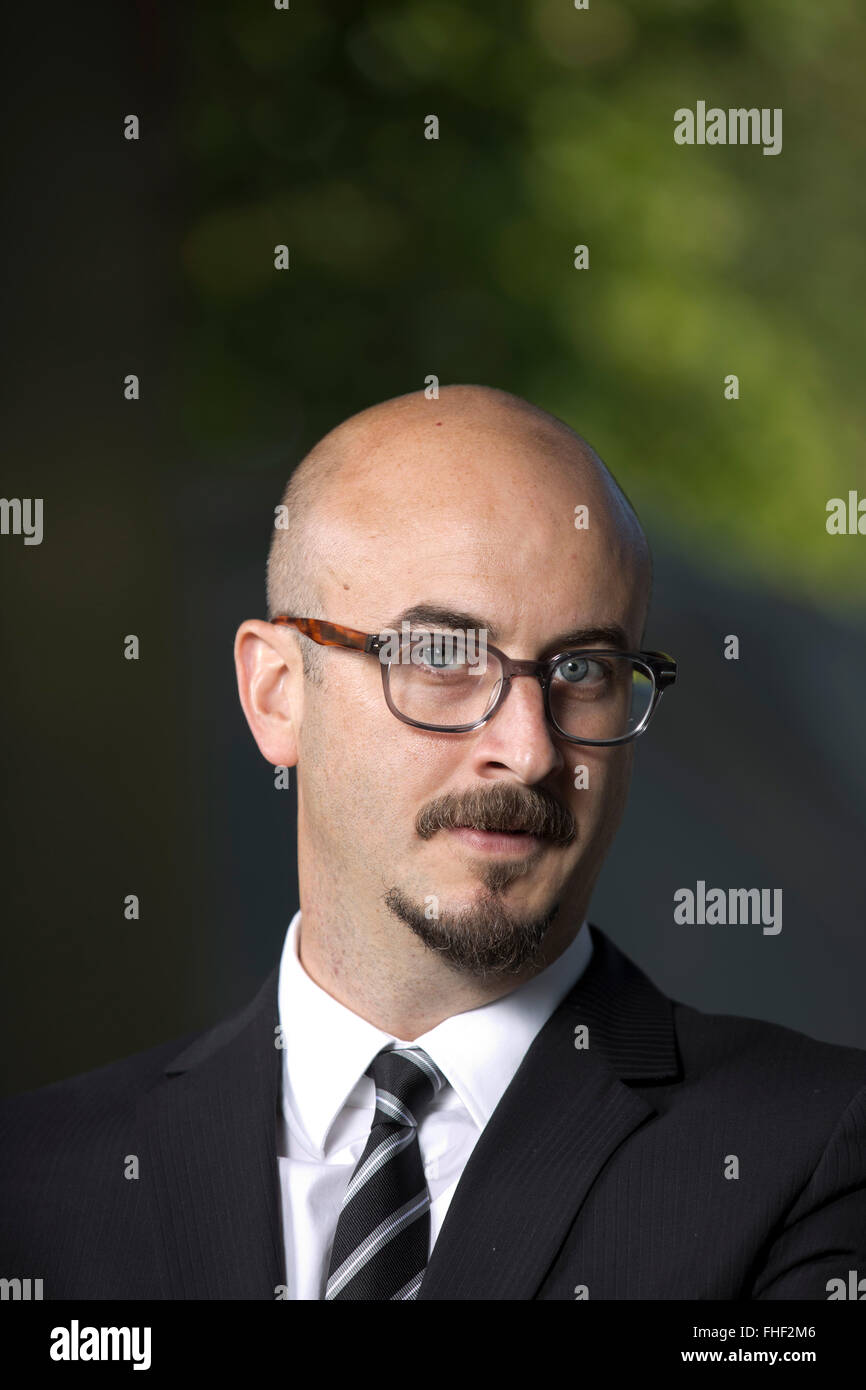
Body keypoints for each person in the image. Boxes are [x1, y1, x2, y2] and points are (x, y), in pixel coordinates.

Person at [1, 384, 865, 1300]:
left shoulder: (817, 1157)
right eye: (444, 656)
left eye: (583, 670)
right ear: (276, 694)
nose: (529, 750)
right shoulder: (36, 1189)